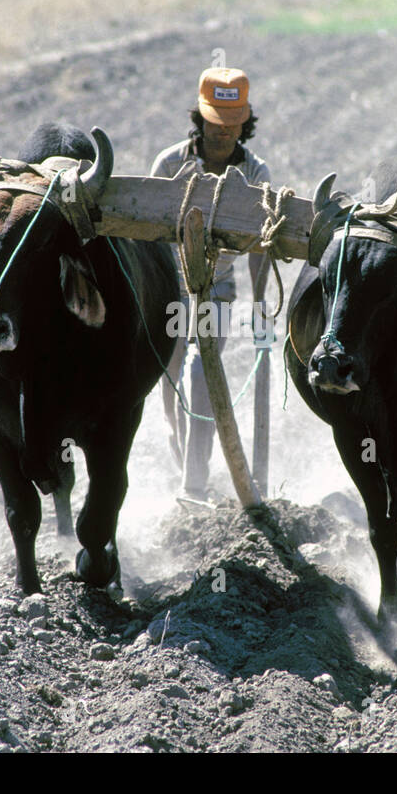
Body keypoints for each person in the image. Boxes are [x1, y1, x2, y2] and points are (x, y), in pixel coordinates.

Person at [151, 67, 272, 501]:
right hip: (168, 291)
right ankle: (183, 460)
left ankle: (194, 485)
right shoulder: (169, 164)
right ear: (200, 121)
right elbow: (148, 234)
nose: (223, 133)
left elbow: (261, 242)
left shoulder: (256, 172)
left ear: (244, 124)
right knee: (170, 384)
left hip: (216, 292)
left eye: (232, 125)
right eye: (215, 124)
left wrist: (261, 305)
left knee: (200, 373)